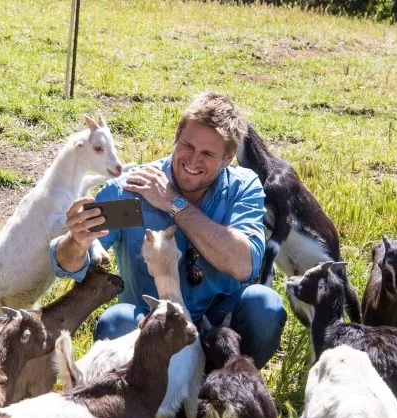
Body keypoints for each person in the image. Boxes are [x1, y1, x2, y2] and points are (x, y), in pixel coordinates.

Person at [48, 91, 286, 368]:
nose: (193, 161)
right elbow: (66, 266)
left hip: (220, 327)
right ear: (176, 137)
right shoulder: (132, 190)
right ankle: (142, 404)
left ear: (229, 157)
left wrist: (174, 204)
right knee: (116, 322)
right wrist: (76, 242)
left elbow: (244, 264)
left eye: (208, 153)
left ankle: (223, 390)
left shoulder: (241, 188)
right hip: (150, 324)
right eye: (187, 146)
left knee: (264, 306)